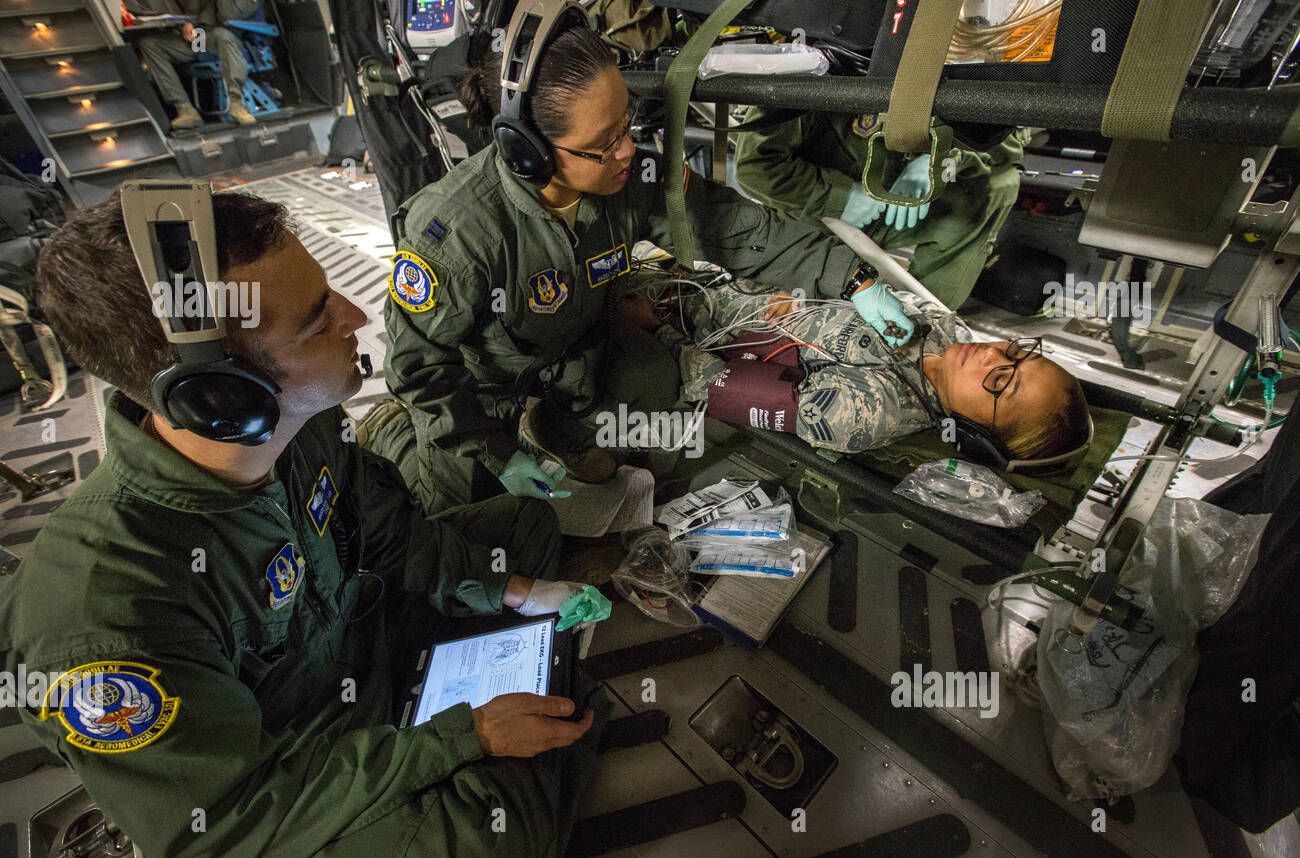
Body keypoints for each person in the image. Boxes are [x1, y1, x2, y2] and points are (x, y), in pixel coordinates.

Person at [0, 188, 609, 858]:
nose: (356, 316)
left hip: (361, 651)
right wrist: (463, 739)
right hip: (293, 768)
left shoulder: (305, 423)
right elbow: (225, 819)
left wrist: (515, 591)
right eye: (317, 324)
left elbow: (388, 536)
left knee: (521, 527)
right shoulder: (97, 613)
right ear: (223, 397)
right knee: (495, 837)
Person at [372, 4, 914, 517]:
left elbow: (738, 227)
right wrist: (496, 456)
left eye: (626, 125)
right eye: (603, 144)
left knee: (652, 377)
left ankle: (560, 432)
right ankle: (391, 432)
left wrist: (857, 278)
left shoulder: (629, 180)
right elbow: (418, 367)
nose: (628, 150)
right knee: (461, 516)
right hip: (478, 384)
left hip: (570, 348)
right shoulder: (453, 234)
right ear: (527, 150)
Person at [636, 273, 1088, 460]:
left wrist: (654, 328)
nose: (992, 355)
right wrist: (796, 285)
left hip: (676, 316)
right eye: (1016, 352)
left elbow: (714, 385)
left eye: (1001, 381)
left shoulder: (866, 413)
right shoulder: (950, 333)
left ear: (976, 433)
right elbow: (845, 286)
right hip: (723, 279)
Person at [733, 109, 1031, 310]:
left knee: (1000, 182)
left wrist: (943, 159)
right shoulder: (819, 49)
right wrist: (841, 198)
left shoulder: (979, 45)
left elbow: (1014, 137)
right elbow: (755, 166)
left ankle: (924, 322)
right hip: (816, 214)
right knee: (784, 312)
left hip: (900, 207)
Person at [133, 0, 259, 128]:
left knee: (224, 36)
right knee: (150, 44)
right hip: (201, 37)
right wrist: (190, 22)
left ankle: (236, 103)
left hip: (224, 36)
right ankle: (185, 108)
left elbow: (228, 14)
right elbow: (195, 9)